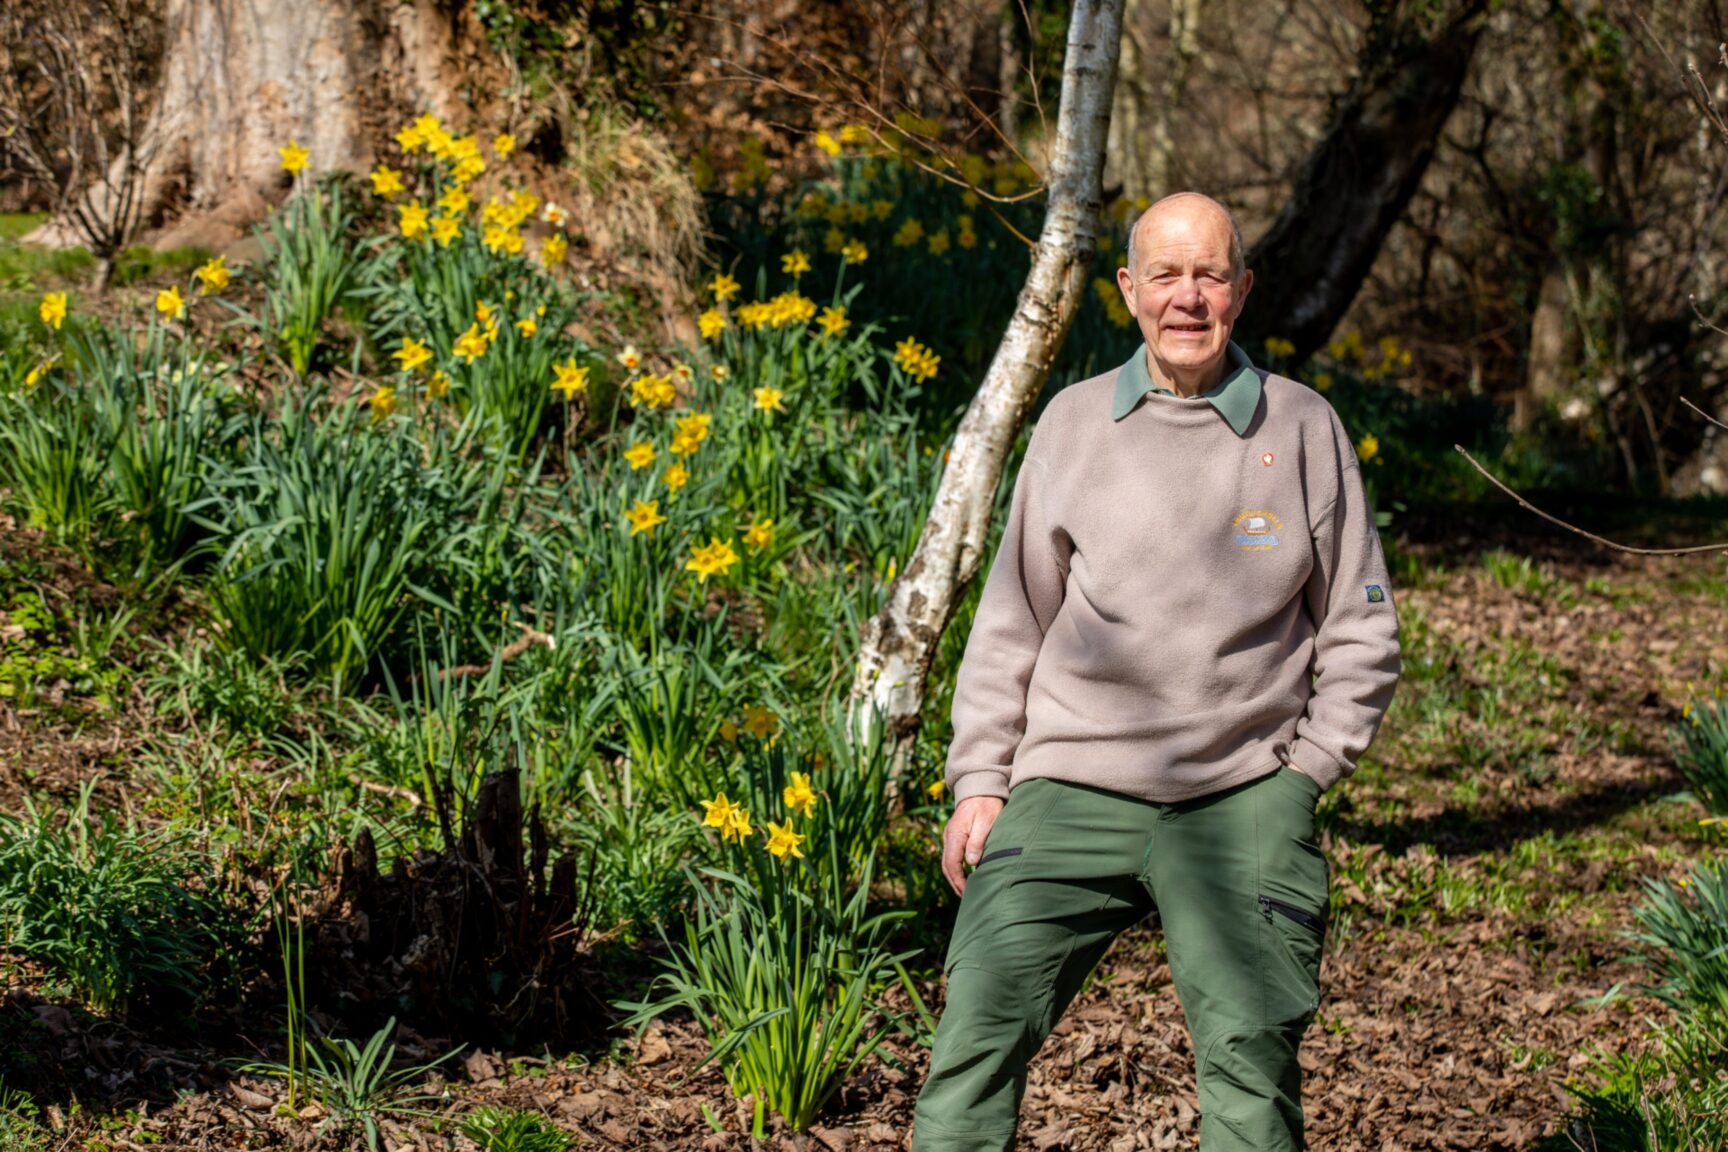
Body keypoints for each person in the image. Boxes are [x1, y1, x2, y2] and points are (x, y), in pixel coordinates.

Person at [910, 192, 1403, 1152]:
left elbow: (1361, 628)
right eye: (1166, 276)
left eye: (1210, 275)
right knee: (974, 1030)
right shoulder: (1074, 423)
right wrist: (980, 781)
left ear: (1243, 291)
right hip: (1069, 784)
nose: (1188, 297)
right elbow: (1012, 620)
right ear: (1129, 290)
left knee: (1251, 1069)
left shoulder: (1303, 427)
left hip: (1243, 791)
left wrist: (1303, 776)